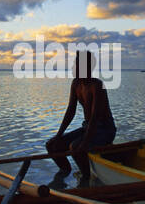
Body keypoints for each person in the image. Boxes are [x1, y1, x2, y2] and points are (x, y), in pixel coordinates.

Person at [45, 49, 117, 177]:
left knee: (75, 147)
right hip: (87, 127)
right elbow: (70, 112)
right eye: (75, 64)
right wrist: (58, 135)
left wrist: (84, 143)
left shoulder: (97, 85)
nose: (74, 67)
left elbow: (95, 118)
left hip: (105, 130)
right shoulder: (76, 84)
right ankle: (65, 172)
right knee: (51, 145)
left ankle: (86, 177)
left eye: (76, 64)